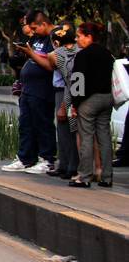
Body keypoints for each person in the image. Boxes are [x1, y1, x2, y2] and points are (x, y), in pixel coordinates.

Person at [2, 11, 56, 174]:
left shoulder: (53, 38)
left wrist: (31, 53)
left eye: (35, 28)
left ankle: (47, 159)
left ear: (44, 24)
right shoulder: (37, 38)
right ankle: (26, 157)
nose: (32, 31)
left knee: (42, 124)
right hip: (28, 88)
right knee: (26, 124)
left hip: (42, 90)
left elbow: (49, 64)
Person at [69, 20, 115, 188]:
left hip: (89, 101)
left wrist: (75, 104)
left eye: (79, 36)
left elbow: (77, 82)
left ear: (89, 37)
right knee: (104, 136)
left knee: (86, 136)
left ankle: (84, 176)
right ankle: (107, 176)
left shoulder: (83, 55)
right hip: (107, 97)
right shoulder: (107, 54)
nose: (77, 40)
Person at [46, 22, 79, 180]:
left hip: (65, 92)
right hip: (76, 92)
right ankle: (66, 164)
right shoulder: (79, 51)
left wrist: (64, 105)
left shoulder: (56, 54)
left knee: (65, 129)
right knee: (70, 130)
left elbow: (68, 80)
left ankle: (69, 166)